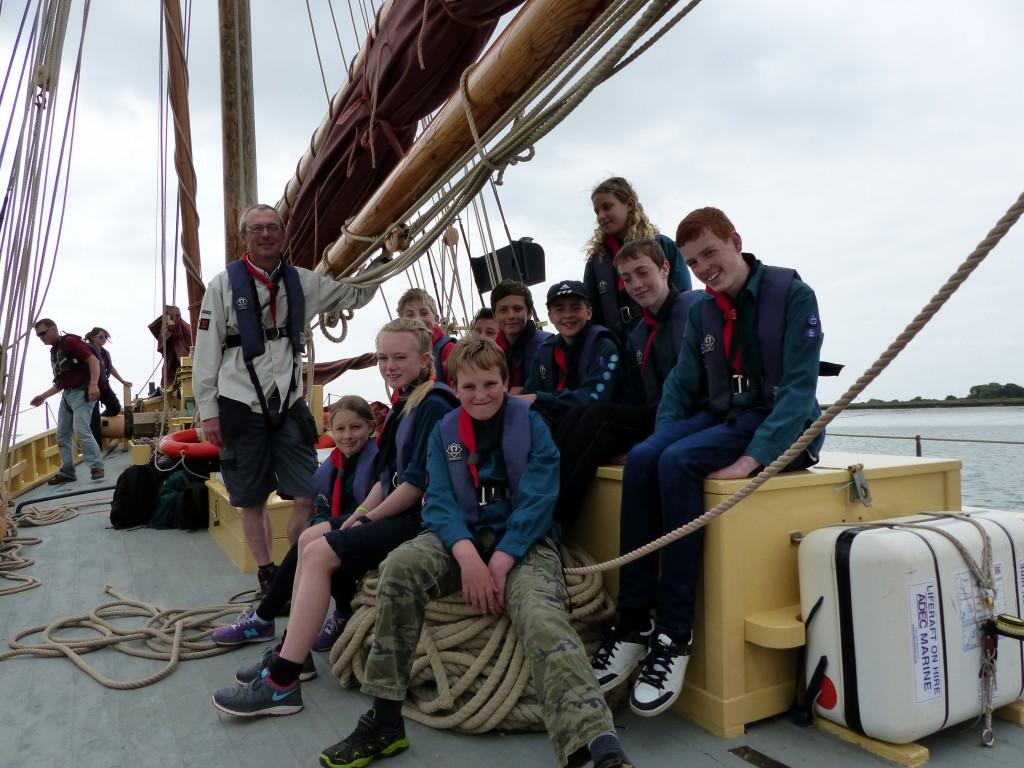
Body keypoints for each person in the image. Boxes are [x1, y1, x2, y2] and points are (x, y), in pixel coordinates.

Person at [318, 337, 637, 768]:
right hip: (459, 537)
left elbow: (540, 497)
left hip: (523, 541)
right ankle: (385, 721)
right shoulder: (443, 431)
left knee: (541, 614)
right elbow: (442, 500)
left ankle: (596, 745)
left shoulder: (533, 425)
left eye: (490, 384)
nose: (480, 395)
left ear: (506, 382)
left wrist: (502, 558)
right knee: (400, 567)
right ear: (455, 386)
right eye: (468, 387)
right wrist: (468, 557)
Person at [591, 207, 825, 718]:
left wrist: (754, 459)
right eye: (694, 262)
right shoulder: (704, 310)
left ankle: (674, 633)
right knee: (652, 457)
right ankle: (635, 621)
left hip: (778, 424)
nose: (704, 269)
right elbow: (682, 386)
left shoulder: (793, 295)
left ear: (735, 241)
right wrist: (656, 441)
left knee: (678, 463)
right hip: (725, 416)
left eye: (710, 254)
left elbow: (799, 390)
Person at [211, 318, 458, 717]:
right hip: (396, 509)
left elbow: (414, 486)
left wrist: (368, 519)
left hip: (423, 520)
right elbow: (386, 477)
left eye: (400, 357)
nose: (390, 365)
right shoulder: (404, 403)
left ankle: (282, 683)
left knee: (321, 553)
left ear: (424, 359)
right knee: (311, 537)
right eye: (382, 357)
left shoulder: (432, 405)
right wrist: (359, 514)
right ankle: (295, 653)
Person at [192, 203, 380, 595]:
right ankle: (267, 573)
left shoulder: (303, 282)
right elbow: (206, 351)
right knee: (252, 499)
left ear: (282, 235)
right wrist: (209, 413)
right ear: (244, 237)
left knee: (308, 492)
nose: (265, 235)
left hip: (289, 403)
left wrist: (383, 255)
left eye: (273, 228)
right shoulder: (222, 286)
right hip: (240, 403)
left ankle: (301, 566)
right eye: (257, 229)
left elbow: (353, 296)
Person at [211, 396, 379, 651]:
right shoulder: (335, 464)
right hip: (346, 536)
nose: (347, 436)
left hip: (369, 533)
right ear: (331, 431)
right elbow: (322, 505)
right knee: (311, 541)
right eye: (341, 429)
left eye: (356, 428)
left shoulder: (379, 462)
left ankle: (331, 614)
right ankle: (268, 619)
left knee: (317, 544)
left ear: (372, 427)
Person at [554, 239, 700, 526]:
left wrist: (651, 440)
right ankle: (543, 510)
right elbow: (638, 398)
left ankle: (557, 522)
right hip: (656, 413)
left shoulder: (694, 311)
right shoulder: (637, 335)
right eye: (627, 278)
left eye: (643, 273)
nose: (636, 284)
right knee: (575, 416)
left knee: (599, 417)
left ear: (665, 269)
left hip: (690, 417)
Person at [583, 177, 690, 343]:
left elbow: (684, 297)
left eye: (607, 207)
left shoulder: (663, 245)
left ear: (629, 204)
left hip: (665, 339)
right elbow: (593, 315)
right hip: (619, 347)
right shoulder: (596, 262)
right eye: (597, 212)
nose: (601, 216)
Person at [517, 280, 621, 433]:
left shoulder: (604, 349)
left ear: (589, 312)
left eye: (575, 307)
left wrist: (541, 398)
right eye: (559, 309)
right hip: (556, 427)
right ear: (550, 316)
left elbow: (593, 396)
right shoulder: (543, 353)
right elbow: (529, 394)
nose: (568, 315)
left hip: (595, 427)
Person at [29, 319, 105, 483]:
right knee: (62, 435)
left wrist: (93, 384)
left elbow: (93, 361)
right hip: (68, 395)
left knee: (82, 430)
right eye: (38, 335)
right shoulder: (55, 350)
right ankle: (68, 473)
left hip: (81, 393)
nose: (40, 337)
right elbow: (62, 383)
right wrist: (43, 397)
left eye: (42, 333)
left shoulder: (69, 342)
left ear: (53, 329)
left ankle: (97, 467)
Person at [491, 278, 550, 393]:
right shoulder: (491, 351)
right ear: (494, 315)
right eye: (503, 310)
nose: (511, 316)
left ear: (529, 312)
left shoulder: (548, 346)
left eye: (517, 309)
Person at [397, 287, 455, 386]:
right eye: (410, 315)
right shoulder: (400, 354)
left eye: (424, 313)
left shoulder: (448, 349)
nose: (418, 319)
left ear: (436, 319)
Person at [84, 327, 132, 416]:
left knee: (115, 407)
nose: (104, 339)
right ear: (93, 337)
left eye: (105, 337)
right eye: (101, 336)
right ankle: (95, 424)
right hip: (90, 386)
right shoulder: (87, 351)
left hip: (103, 385)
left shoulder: (104, 353)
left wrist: (122, 381)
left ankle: (100, 421)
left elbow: (110, 367)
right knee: (93, 412)